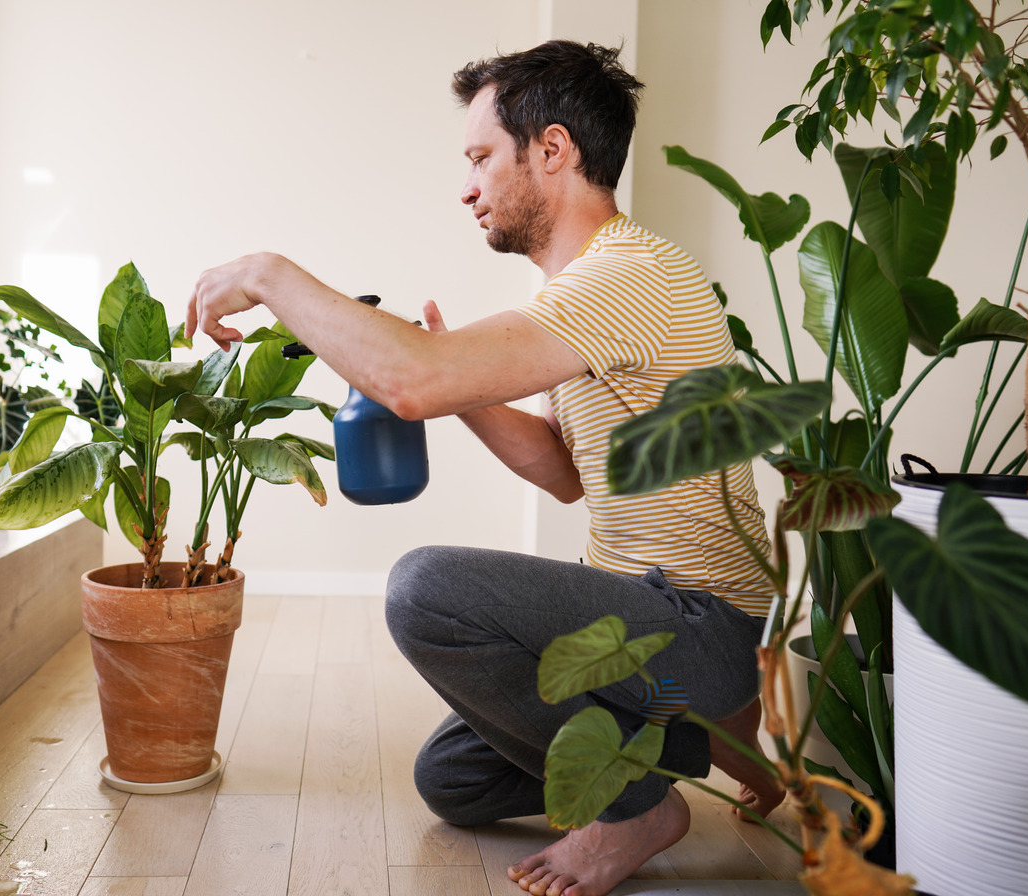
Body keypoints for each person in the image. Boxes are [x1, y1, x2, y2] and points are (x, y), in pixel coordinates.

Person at [187, 39, 782, 896]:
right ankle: (711, 733)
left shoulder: (627, 276)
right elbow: (564, 471)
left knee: (423, 588)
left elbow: (408, 383)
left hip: (694, 622)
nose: (467, 187)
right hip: (644, 622)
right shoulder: (582, 288)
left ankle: (638, 807)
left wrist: (268, 275)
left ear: (552, 149)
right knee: (453, 782)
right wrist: (460, 390)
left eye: (480, 158)